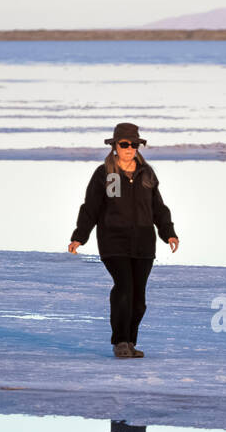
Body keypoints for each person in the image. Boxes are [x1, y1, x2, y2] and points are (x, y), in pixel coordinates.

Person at [68, 123, 179, 358]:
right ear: (115, 146)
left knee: (139, 301)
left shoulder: (146, 173)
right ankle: (120, 342)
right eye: (125, 144)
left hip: (144, 244)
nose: (130, 148)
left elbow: (158, 207)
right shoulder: (105, 174)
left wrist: (168, 232)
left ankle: (130, 341)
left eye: (134, 144)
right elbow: (91, 208)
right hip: (113, 242)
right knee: (124, 289)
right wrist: (80, 236)